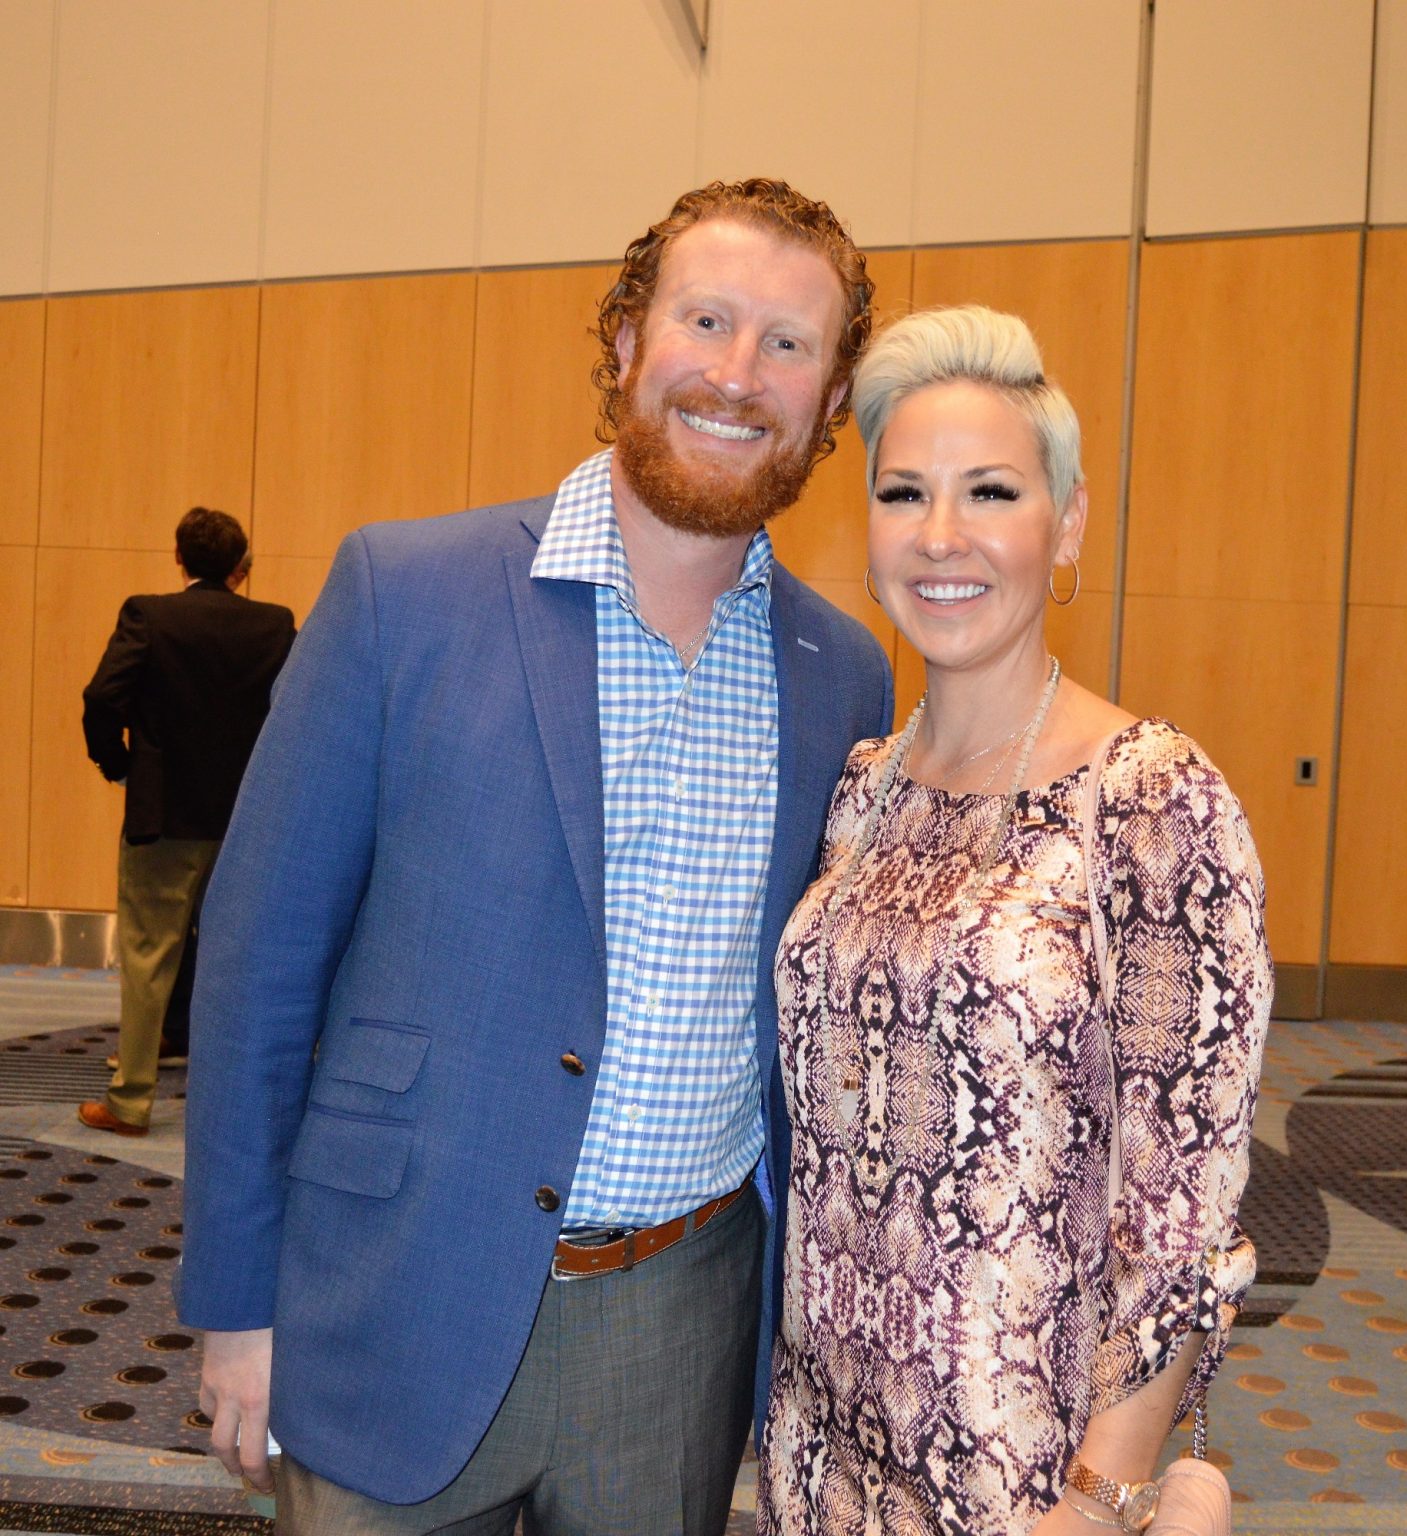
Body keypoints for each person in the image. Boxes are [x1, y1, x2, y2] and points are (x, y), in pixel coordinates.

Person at [178, 178, 893, 1535]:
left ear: (832, 403)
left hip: (678, 1327)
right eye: (707, 319)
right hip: (392, 1295)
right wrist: (235, 1303)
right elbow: (258, 965)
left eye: (789, 345)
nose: (738, 375)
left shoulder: (842, 672)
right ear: (628, 338)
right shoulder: (405, 592)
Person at [759, 307, 1272, 1535]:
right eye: (903, 495)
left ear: (1069, 522)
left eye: (990, 491)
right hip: (817, 1454)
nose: (942, 537)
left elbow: (1182, 1216)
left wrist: (1097, 1500)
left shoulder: (1147, 798)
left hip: (1025, 1483)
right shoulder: (862, 789)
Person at [78, 507, 295, 1137]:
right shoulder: (275, 624)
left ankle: (131, 1101)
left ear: (179, 559)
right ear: (240, 568)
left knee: (149, 953)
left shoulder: (149, 614)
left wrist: (118, 766)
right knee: (241, 956)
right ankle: (240, 1105)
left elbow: (101, 699)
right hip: (244, 820)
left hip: (163, 816)